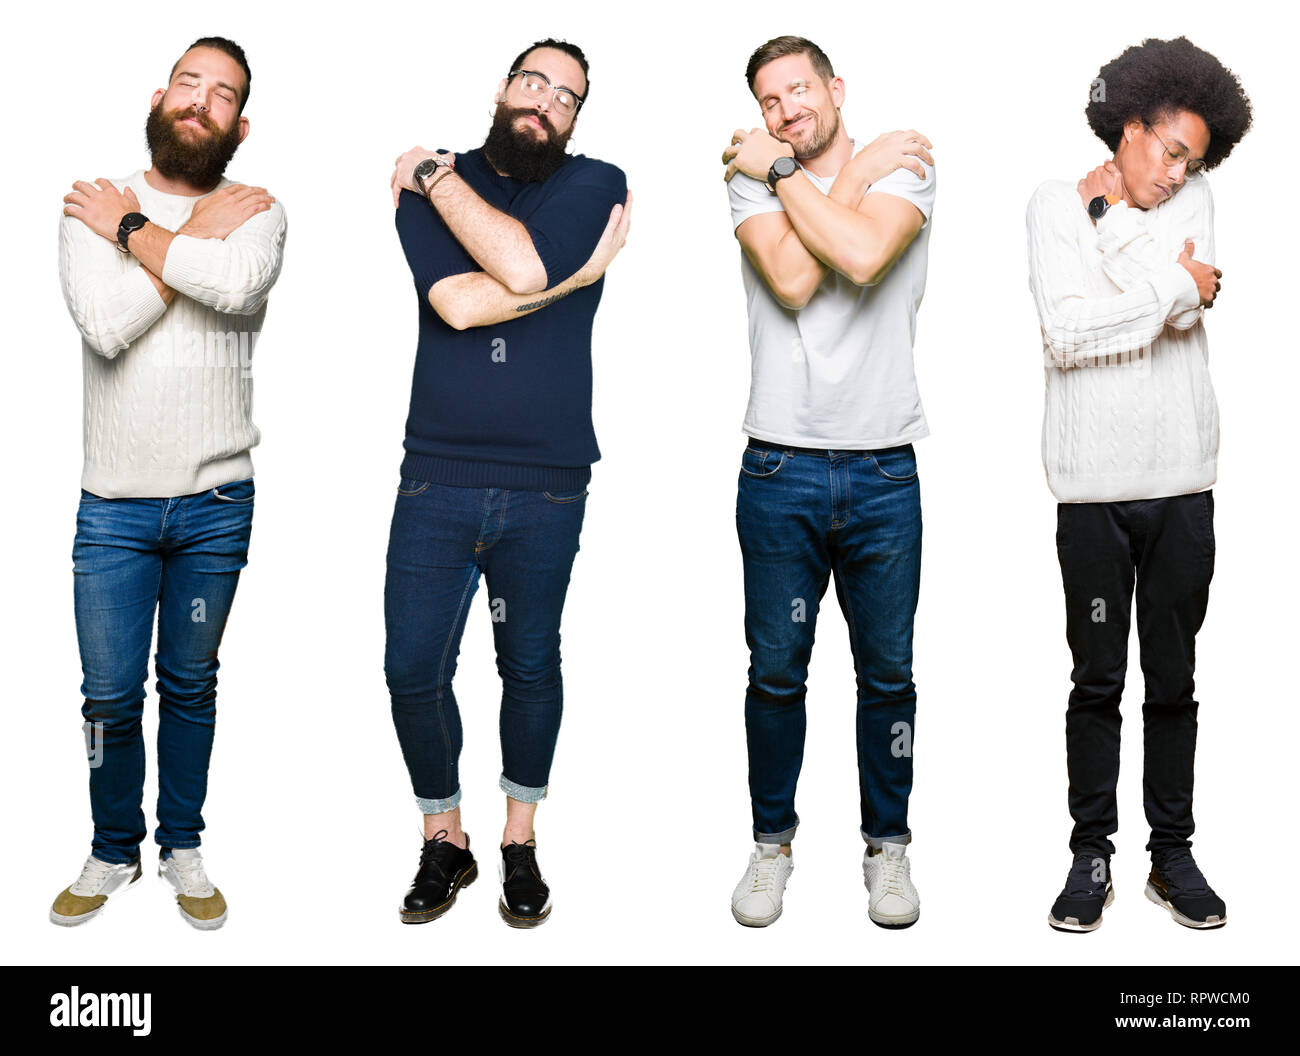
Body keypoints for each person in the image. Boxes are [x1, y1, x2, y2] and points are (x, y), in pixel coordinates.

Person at [387, 38, 630, 928]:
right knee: (412, 668)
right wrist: (585, 273)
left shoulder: (594, 180)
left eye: (566, 97)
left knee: (528, 663)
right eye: (534, 83)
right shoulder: (432, 180)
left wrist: (433, 183)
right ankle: (444, 839)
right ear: (502, 88)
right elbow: (456, 304)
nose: (545, 103)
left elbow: (516, 273)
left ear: (576, 118)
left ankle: (518, 842)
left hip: (549, 481)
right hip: (436, 473)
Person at [52, 36, 287, 930]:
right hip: (112, 507)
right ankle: (113, 849)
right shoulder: (92, 204)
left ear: (240, 124)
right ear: (160, 95)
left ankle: (179, 844)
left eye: (221, 94)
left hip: (215, 506)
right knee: (108, 694)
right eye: (189, 83)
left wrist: (143, 240)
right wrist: (178, 236)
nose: (201, 100)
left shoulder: (258, 211)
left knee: (190, 683)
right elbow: (107, 326)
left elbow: (234, 290)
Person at [1026, 36, 1251, 932]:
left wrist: (1110, 223)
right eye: (1166, 150)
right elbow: (1066, 338)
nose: (1174, 174)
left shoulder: (1193, 196)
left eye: (1188, 160)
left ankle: (1173, 854)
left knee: (1175, 680)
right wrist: (1168, 282)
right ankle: (1091, 855)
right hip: (1091, 491)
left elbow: (1183, 300)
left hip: (1184, 482)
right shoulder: (1050, 203)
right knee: (1096, 684)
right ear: (1130, 128)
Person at [721, 35, 935, 929]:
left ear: (835, 89)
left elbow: (861, 256)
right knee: (776, 674)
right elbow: (796, 277)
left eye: (799, 90)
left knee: (887, 676)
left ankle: (889, 847)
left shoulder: (907, 167)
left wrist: (800, 182)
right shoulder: (750, 172)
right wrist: (814, 177)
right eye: (770, 102)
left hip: (885, 465)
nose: (785, 113)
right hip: (779, 464)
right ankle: (772, 846)